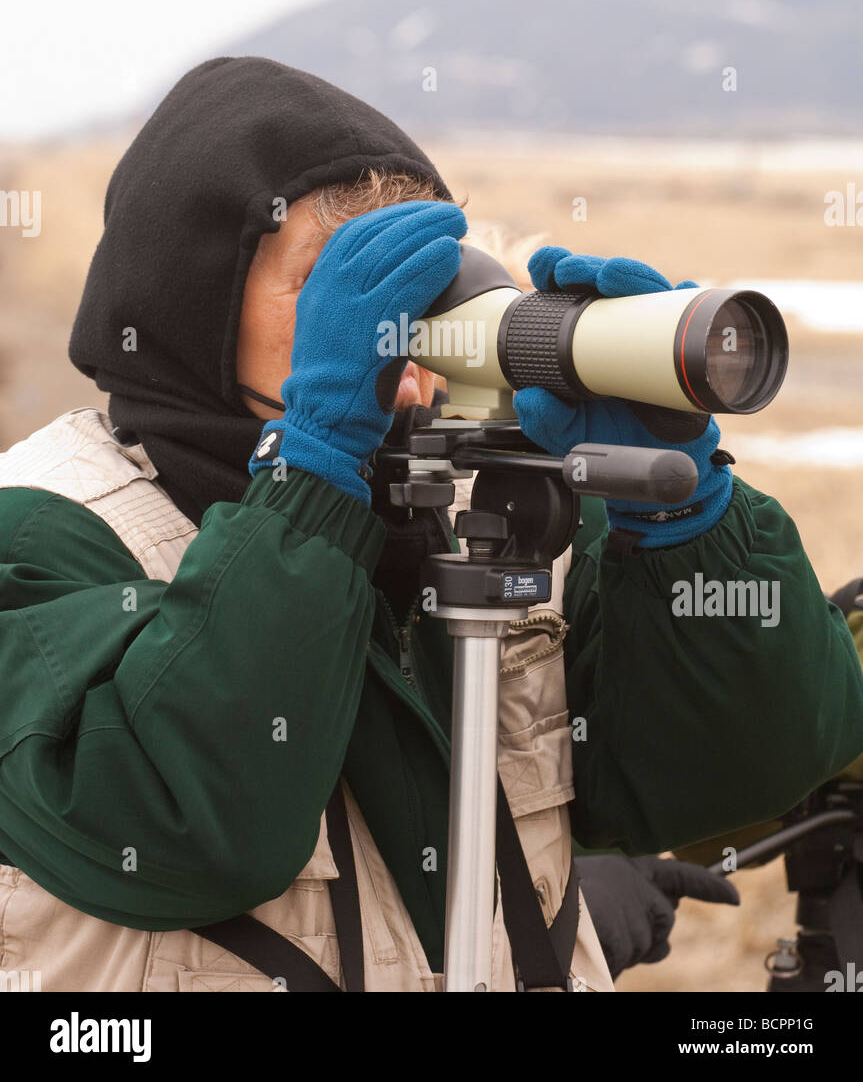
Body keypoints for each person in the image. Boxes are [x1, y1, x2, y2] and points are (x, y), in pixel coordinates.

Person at [0, 57, 860, 992]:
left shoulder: (485, 520)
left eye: (415, 294)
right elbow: (188, 828)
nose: (390, 341)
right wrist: (313, 468)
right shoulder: (46, 535)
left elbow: (742, 770)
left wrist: (686, 517)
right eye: (338, 293)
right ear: (187, 302)